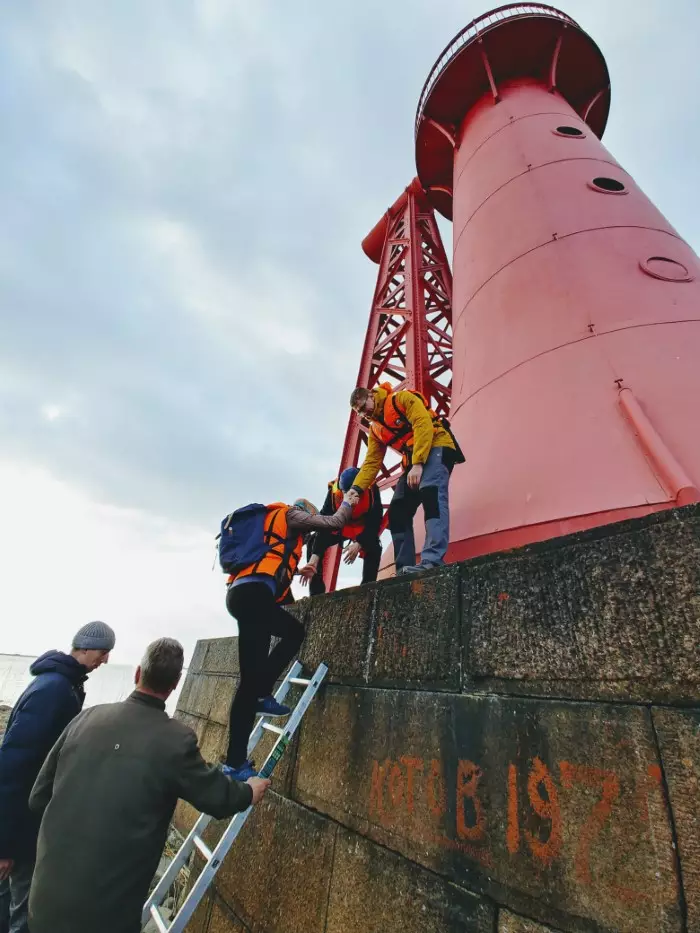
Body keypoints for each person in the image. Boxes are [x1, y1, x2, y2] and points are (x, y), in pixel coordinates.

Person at [28, 638, 269, 933]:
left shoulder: (86, 718)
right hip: (105, 917)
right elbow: (218, 797)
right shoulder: (176, 741)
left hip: (43, 904)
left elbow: (38, 797)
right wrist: (249, 790)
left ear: (138, 673)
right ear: (176, 682)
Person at [222, 496, 355, 780]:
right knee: (293, 635)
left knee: (250, 680)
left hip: (238, 595)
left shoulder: (271, 523)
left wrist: (297, 570)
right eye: (308, 528)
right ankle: (258, 701)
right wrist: (350, 501)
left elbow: (266, 563)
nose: (306, 538)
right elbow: (333, 522)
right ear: (305, 513)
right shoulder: (294, 515)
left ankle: (235, 759)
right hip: (255, 597)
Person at [0, 621, 115, 933]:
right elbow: (13, 765)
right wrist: (5, 845)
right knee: (22, 911)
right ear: (85, 646)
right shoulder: (54, 689)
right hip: (21, 825)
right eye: (103, 652)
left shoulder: (65, 684)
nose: (105, 660)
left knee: (14, 905)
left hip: (29, 818)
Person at [348, 382, 464, 575]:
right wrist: (356, 488)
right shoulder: (375, 430)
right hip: (413, 460)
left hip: (437, 445)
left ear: (371, 395)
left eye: (363, 407)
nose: (363, 413)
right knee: (398, 512)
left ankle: (433, 560)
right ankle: (404, 569)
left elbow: (423, 423)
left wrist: (418, 463)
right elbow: (372, 462)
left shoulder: (401, 399)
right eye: (359, 412)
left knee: (431, 495)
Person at [298, 467, 386, 596]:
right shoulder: (333, 493)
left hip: (362, 526)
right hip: (341, 525)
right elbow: (324, 525)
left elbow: (375, 522)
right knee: (313, 542)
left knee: (375, 547)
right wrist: (314, 558)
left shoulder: (372, 489)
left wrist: (359, 543)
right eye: (346, 492)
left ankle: (367, 589)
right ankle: (316, 593)